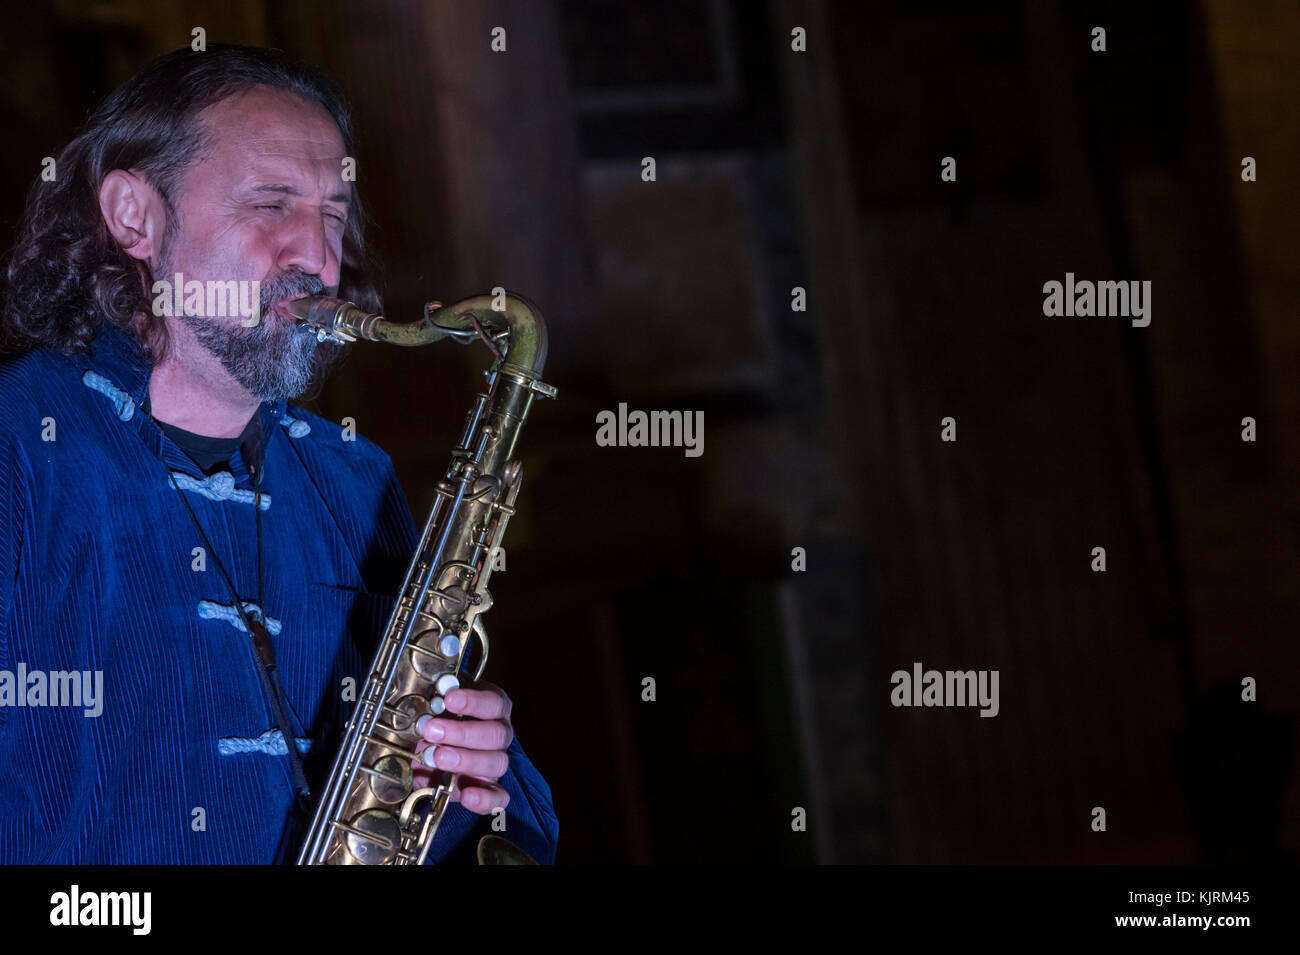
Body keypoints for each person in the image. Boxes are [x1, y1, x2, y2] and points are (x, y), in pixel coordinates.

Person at [0, 44, 557, 864]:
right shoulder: (20, 444)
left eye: (332, 216)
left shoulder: (352, 476)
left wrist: (477, 780)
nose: (316, 257)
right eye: (271, 204)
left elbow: (452, 812)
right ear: (134, 217)